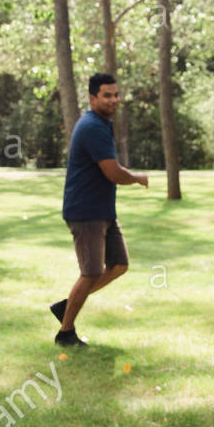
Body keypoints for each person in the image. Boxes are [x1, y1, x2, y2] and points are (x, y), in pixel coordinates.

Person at [50, 73, 149, 347]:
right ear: (92, 98)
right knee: (91, 272)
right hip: (86, 213)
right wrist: (138, 178)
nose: (114, 99)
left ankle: (67, 305)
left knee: (119, 264)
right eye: (107, 95)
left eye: (116, 94)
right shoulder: (92, 126)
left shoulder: (103, 123)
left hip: (102, 211)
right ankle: (65, 332)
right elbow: (113, 172)